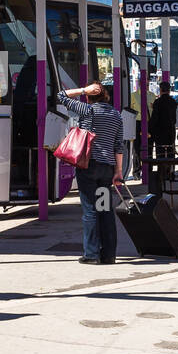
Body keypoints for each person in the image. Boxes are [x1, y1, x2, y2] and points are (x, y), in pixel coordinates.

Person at [56, 82, 126, 264]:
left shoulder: (87, 110)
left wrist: (82, 90)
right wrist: (118, 171)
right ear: (106, 97)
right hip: (106, 170)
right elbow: (119, 146)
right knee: (104, 210)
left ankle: (91, 254)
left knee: (90, 210)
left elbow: (61, 95)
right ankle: (109, 254)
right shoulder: (116, 115)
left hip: (89, 167)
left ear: (89, 96)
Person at [149, 80, 178, 168]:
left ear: (160, 90)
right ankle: (171, 170)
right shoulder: (173, 101)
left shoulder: (157, 102)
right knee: (170, 151)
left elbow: (154, 118)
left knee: (160, 152)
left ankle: (160, 171)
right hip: (170, 130)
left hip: (159, 131)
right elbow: (174, 118)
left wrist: (149, 129)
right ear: (169, 90)